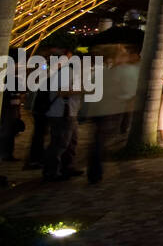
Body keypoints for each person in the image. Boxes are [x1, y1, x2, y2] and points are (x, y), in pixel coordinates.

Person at [85, 45, 140, 185]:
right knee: (101, 142)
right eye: (123, 54)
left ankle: (94, 171)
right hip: (111, 110)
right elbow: (130, 92)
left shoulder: (98, 71)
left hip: (97, 110)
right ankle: (96, 171)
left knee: (98, 141)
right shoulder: (124, 71)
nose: (127, 56)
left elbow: (89, 90)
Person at [42, 50, 83, 181]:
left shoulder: (69, 72)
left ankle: (67, 167)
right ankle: (51, 172)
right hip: (62, 113)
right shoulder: (66, 72)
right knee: (60, 143)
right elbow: (62, 92)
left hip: (68, 112)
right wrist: (85, 90)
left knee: (71, 142)